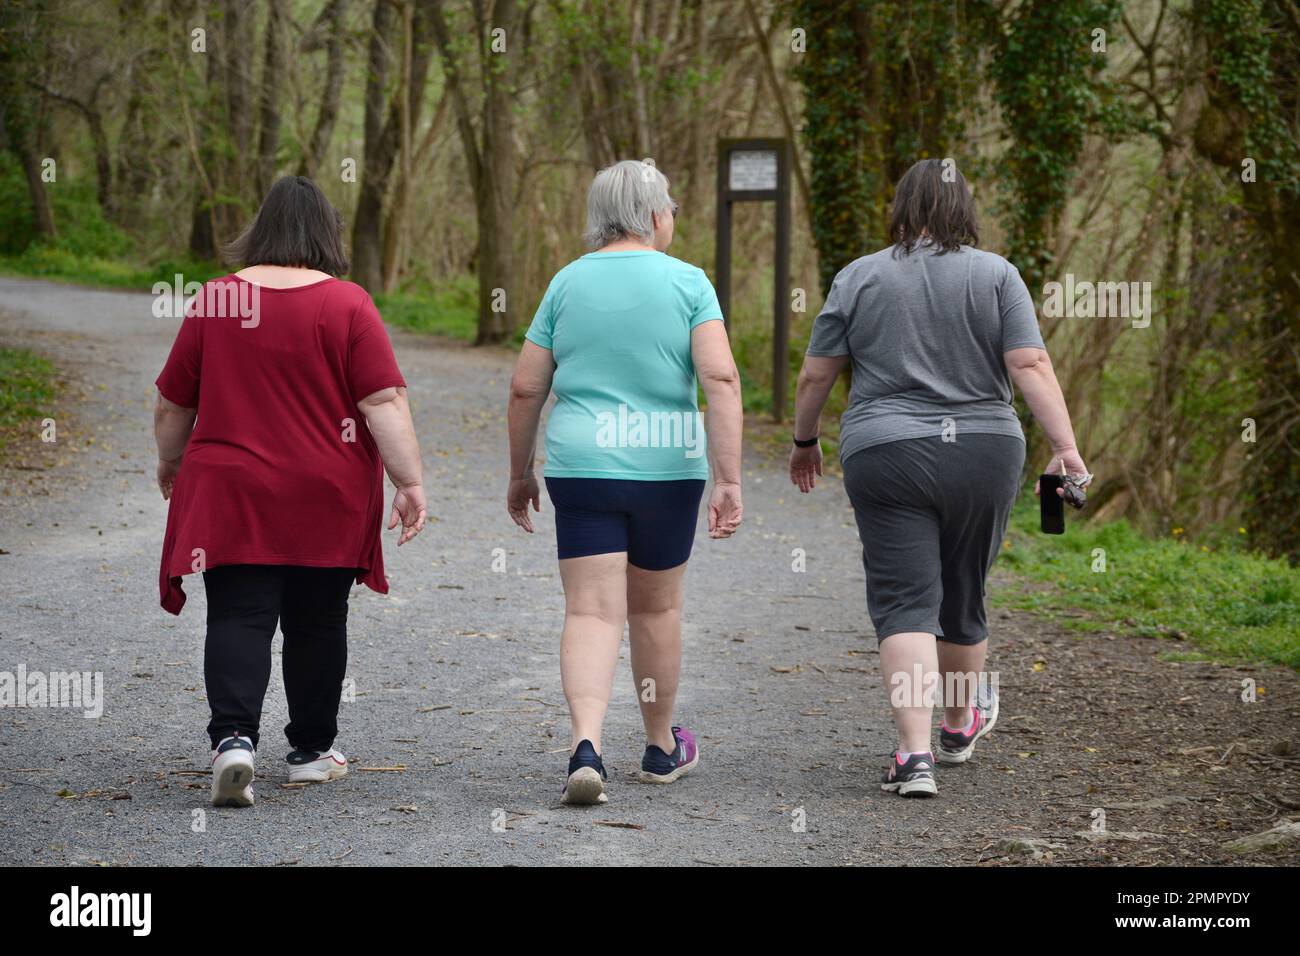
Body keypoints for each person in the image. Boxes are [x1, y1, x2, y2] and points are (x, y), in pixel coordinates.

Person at [788, 158, 1091, 798]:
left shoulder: (858, 276)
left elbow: (817, 374)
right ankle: (957, 725)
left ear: (901, 208)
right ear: (965, 209)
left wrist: (805, 441)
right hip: (983, 449)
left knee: (904, 603)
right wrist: (1065, 448)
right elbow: (1030, 363)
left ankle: (913, 755)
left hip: (885, 450)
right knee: (962, 591)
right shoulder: (997, 274)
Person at [153, 176, 427, 807]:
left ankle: (234, 743)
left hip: (233, 490)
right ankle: (309, 751)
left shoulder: (217, 300)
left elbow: (174, 401)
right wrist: (407, 480)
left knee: (238, 613)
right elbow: (383, 400)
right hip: (325, 490)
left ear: (261, 229)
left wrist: (171, 461)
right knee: (318, 620)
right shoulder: (350, 305)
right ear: (327, 234)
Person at [506, 159, 743, 805]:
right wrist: (729, 477)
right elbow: (720, 379)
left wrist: (520, 473)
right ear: (656, 215)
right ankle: (662, 747)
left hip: (582, 466)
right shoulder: (690, 282)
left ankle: (587, 747)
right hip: (666, 468)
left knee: (590, 609)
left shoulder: (566, 283)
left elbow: (527, 385)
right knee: (655, 607)